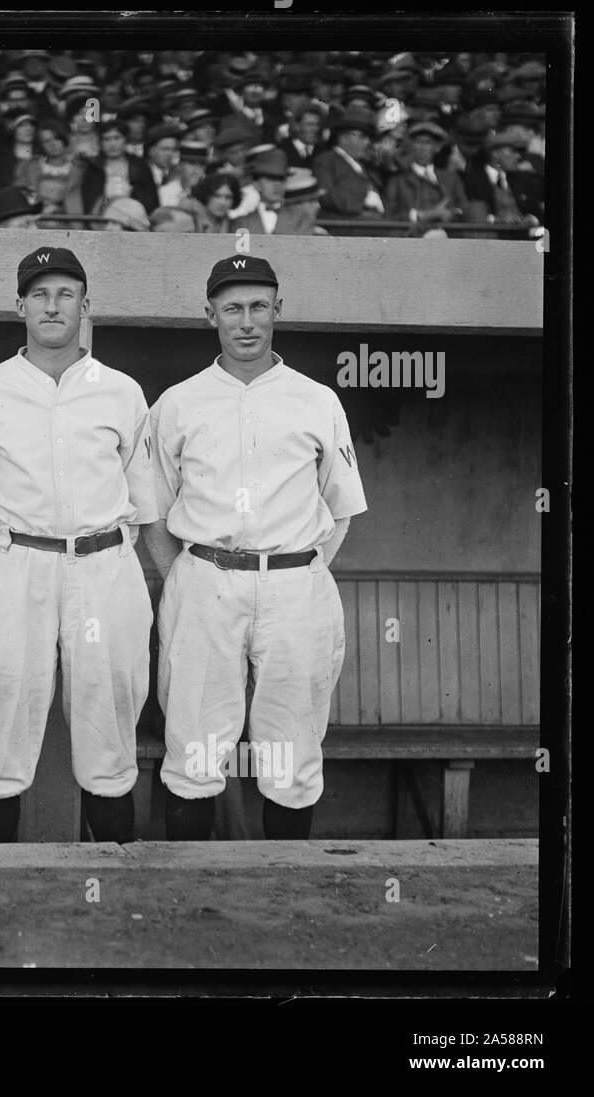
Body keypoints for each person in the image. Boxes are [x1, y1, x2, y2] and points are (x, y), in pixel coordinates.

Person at [143, 256, 366, 842]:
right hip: (205, 579)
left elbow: (340, 510)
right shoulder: (178, 402)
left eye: (259, 307)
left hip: (295, 584)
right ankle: (189, 900)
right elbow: (154, 513)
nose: (247, 322)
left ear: (278, 311)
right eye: (233, 308)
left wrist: (293, 567)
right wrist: (190, 578)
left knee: (289, 753)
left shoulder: (316, 399)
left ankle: (283, 898)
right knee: (194, 749)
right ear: (210, 313)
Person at [0, 246, 157, 843]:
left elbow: (140, 507)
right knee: (1, 735)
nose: (52, 305)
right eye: (39, 293)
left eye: (66, 294)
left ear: (85, 306)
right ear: (20, 305)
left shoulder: (120, 391)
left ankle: (115, 889)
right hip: (16, 561)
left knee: (108, 737)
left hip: (104, 560)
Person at [383, 121, 468, 228]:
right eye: (418, 142)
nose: (422, 147)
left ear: (437, 147)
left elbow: (464, 209)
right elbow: (389, 216)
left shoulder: (451, 179)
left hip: (448, 237)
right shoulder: (397, 181)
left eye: (427, 143)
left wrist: (452, 213)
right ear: (411, 146)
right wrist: (423, 215)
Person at [312, 107, 386, 220]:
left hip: (371, 224)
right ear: (345, 138)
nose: (367, 142)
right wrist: (365, 198)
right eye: (362, 137)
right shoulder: (326, 161)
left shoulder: (365, 166)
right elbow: (327, 197)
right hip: (342, 227)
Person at [86, 118, 159, 215]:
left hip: (135, 217)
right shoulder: (93, 167)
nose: (112, 144)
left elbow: (151, 199)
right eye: (107, 139)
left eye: (117, 138)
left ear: (126, 139)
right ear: (101, 143)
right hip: (101, 219)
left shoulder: (140, 165)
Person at [230, 147, 289, 234]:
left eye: (281, 179)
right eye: (270, 179)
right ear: (256, 184)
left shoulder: (301, 218)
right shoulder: (241, 223)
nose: (277, 184)